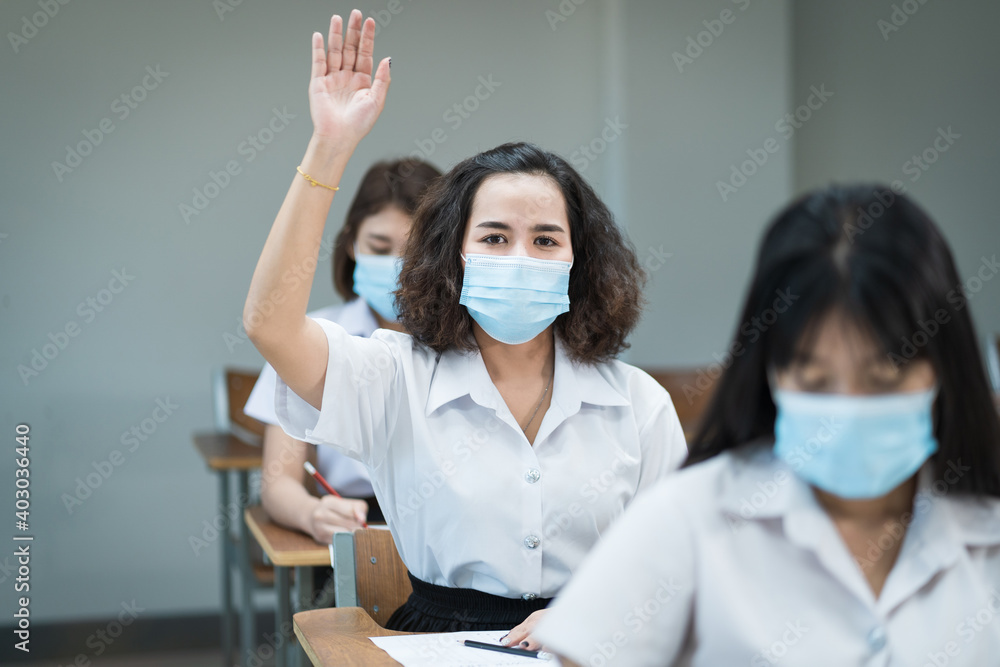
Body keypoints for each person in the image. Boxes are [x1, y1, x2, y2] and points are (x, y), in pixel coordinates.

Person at [242, 10, 687, 637]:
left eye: (545, 239)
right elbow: (269, 323)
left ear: (577, 261)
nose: (519, 257)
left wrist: (599, 615)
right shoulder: (393, 375)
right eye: (495, 237)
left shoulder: (638, 402)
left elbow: (674, 564)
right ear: (456, 256)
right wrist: (330, 147)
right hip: (438, 642)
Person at [534, 184, 1000, 666]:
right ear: (770, 372)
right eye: (815, 382)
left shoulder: (986, 529)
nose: (848, 408)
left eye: (884, 380)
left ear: (943, 367)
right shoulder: (691, 518)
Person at [243, 157, 440, 543]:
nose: (398, 269)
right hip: (353, 530)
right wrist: (314, 514)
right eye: (379, 248)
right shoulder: (306, 339)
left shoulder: (474, 341)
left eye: (414, 253)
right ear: (351, 243)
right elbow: (278, 483)